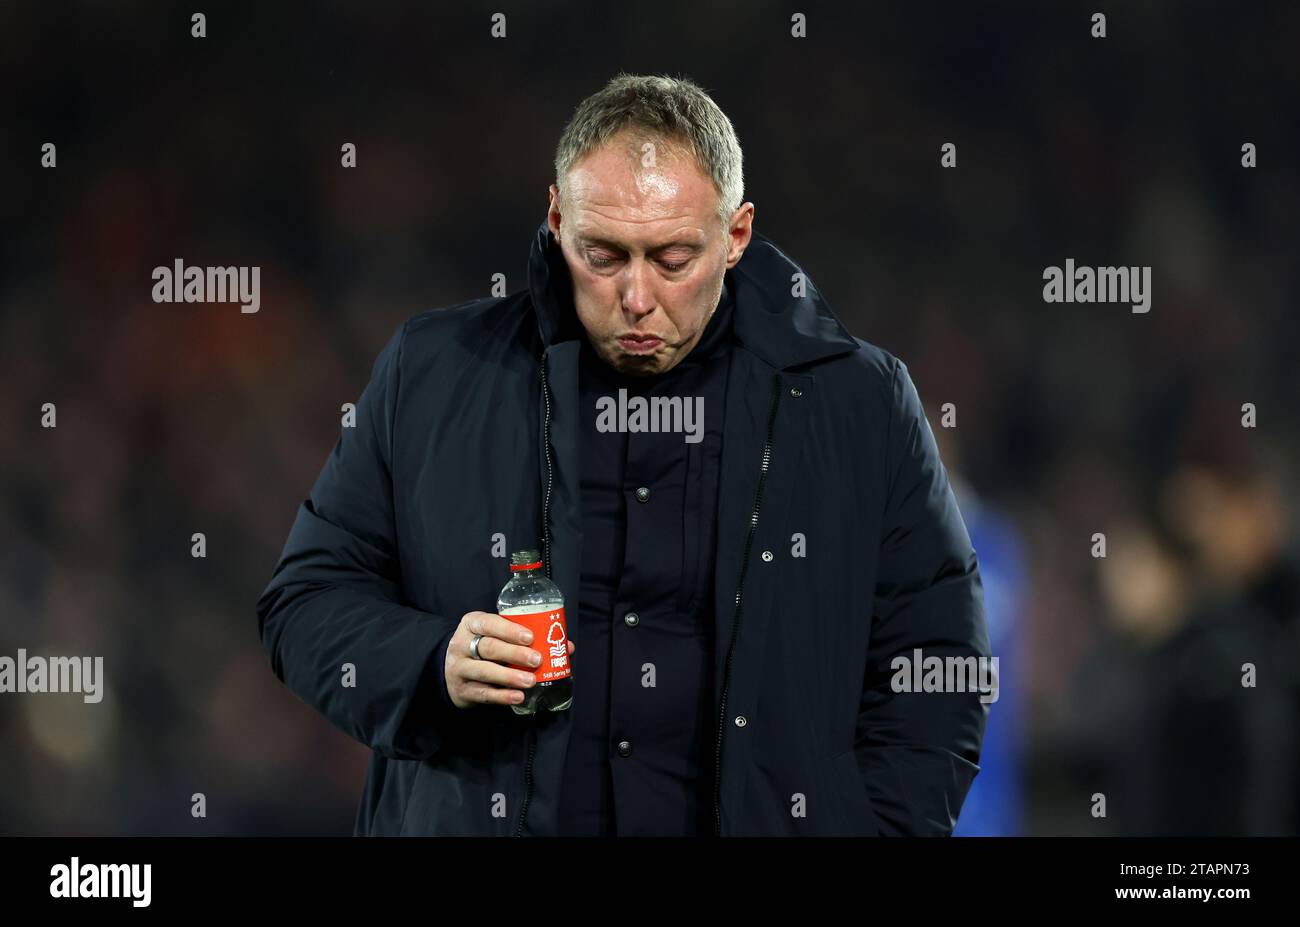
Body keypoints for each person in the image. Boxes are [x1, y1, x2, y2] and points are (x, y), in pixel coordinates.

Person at [256, 72, 991, 836]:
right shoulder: (434, 373)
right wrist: (431, 661)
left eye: (673, 258)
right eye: (602, 255)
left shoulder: (858, 403)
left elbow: (941, 665)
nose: (636, 296)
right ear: (555, 221)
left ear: (735, 236)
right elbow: (303, 603)